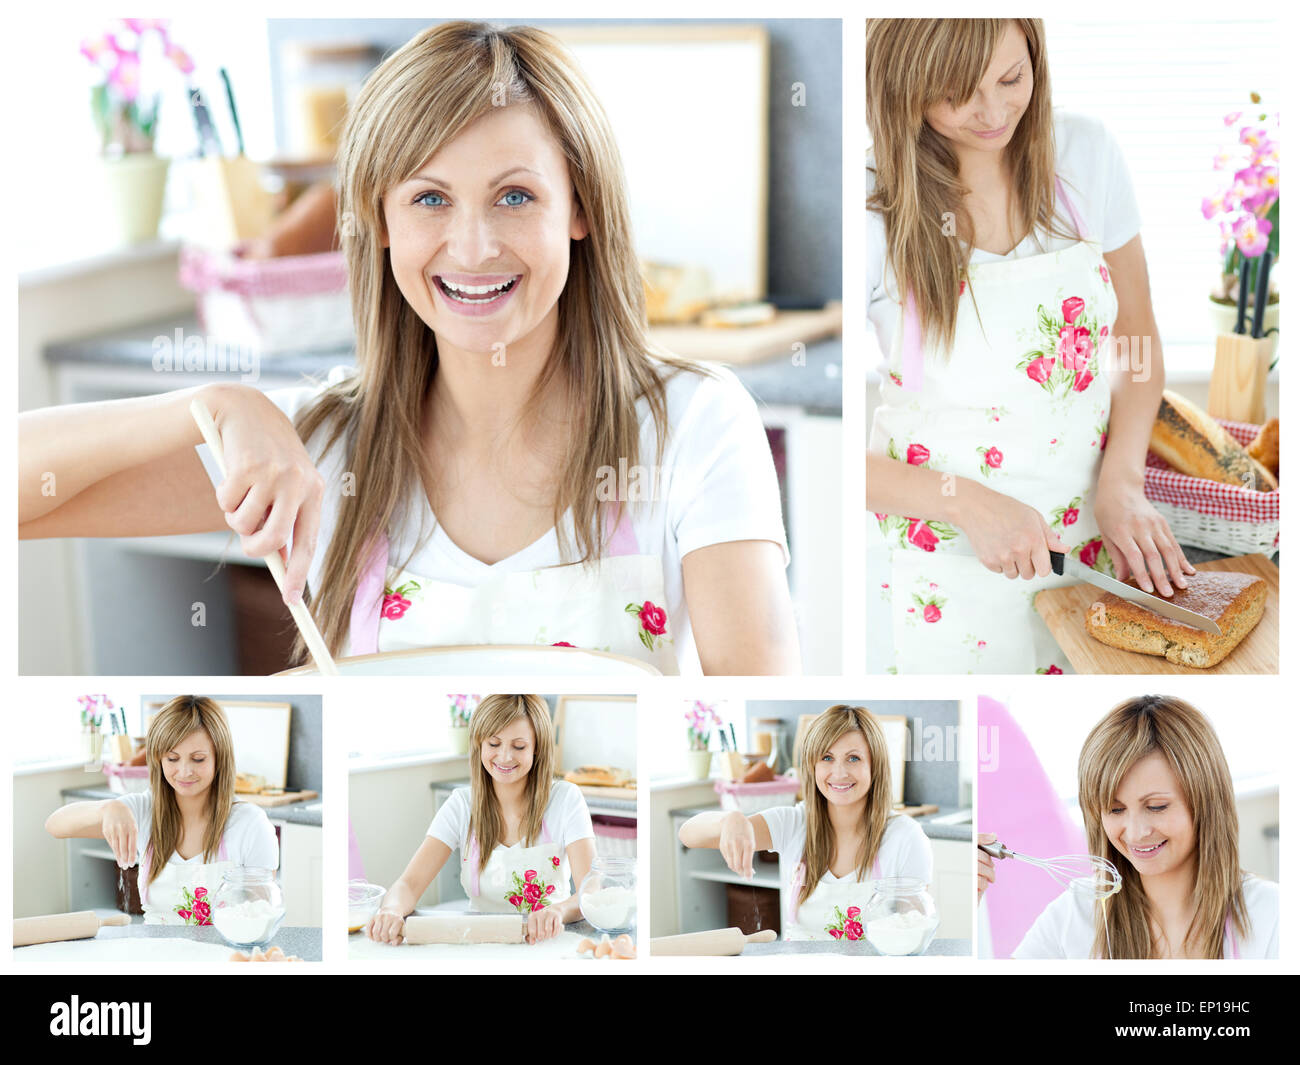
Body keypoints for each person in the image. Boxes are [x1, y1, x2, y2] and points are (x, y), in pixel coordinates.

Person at [18, 21, 797, 676]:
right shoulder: (319, 447)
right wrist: (214, 404)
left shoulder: (695, 425)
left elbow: (756, 726)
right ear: (381, 224)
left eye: (515, 196)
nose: (474, 245)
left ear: (580, 208)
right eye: (430, 198)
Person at [864, 18, 1193, 673]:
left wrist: (1123, 479)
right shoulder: (870, 205)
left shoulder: (1086, 154)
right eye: (957, 92)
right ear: (903, 86)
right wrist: (971, 504)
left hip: (1088, 552)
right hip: (942, 571)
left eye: (1012, 78)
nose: (993, 111)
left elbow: (1134, 336)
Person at [984, 695, 1279, 959]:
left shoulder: (1273, 914)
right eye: (1115, 809)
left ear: (1207, 800)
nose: (1136, 832)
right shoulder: (1076, 913)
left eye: (1156, 807)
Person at [678, 704, 932, 941]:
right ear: (811, 766)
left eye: (853, 758)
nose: (840, 772)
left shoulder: (904, 837)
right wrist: (731, 820)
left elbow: (914, 933)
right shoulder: (794, 823)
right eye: (827, 758)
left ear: (875, 766)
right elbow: (689, 833)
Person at [367, 694, 595, 945]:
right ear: (480, 745)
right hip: (480, 944)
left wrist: (558, 911)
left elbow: (591, 890)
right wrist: (391, 911)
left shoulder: (565, 799)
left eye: (519, 746)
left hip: (549, 944)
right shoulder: (461, 805)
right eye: (494, 744)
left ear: (537, 748)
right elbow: (409, 884)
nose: (505, 757)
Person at [46, 695, 278, 925]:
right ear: (158, 760)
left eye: (198, 759)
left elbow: (261, 918)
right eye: (172, 758)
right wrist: (109, 808)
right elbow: (55, 825)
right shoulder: (144, 810)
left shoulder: (249, 824)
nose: (185, 771)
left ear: (220, 758)